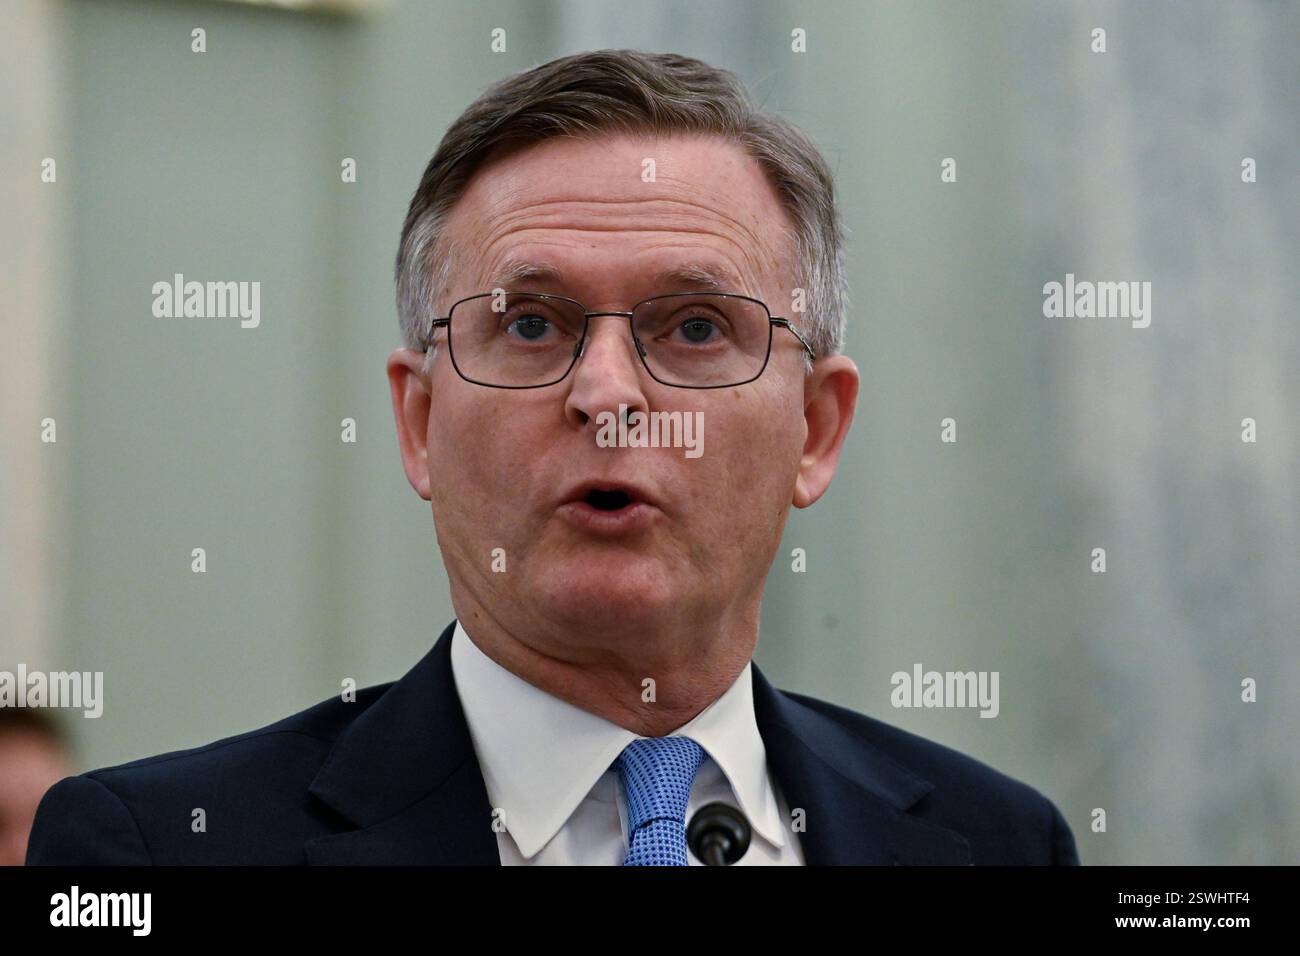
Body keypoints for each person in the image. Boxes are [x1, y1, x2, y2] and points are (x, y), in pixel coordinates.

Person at [27, 49, 1078, 866]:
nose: (607, 393)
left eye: (696, 328)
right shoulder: (158, 847)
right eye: (529, 324)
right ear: (417, 422)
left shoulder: (997, 843)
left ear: (814, 429)